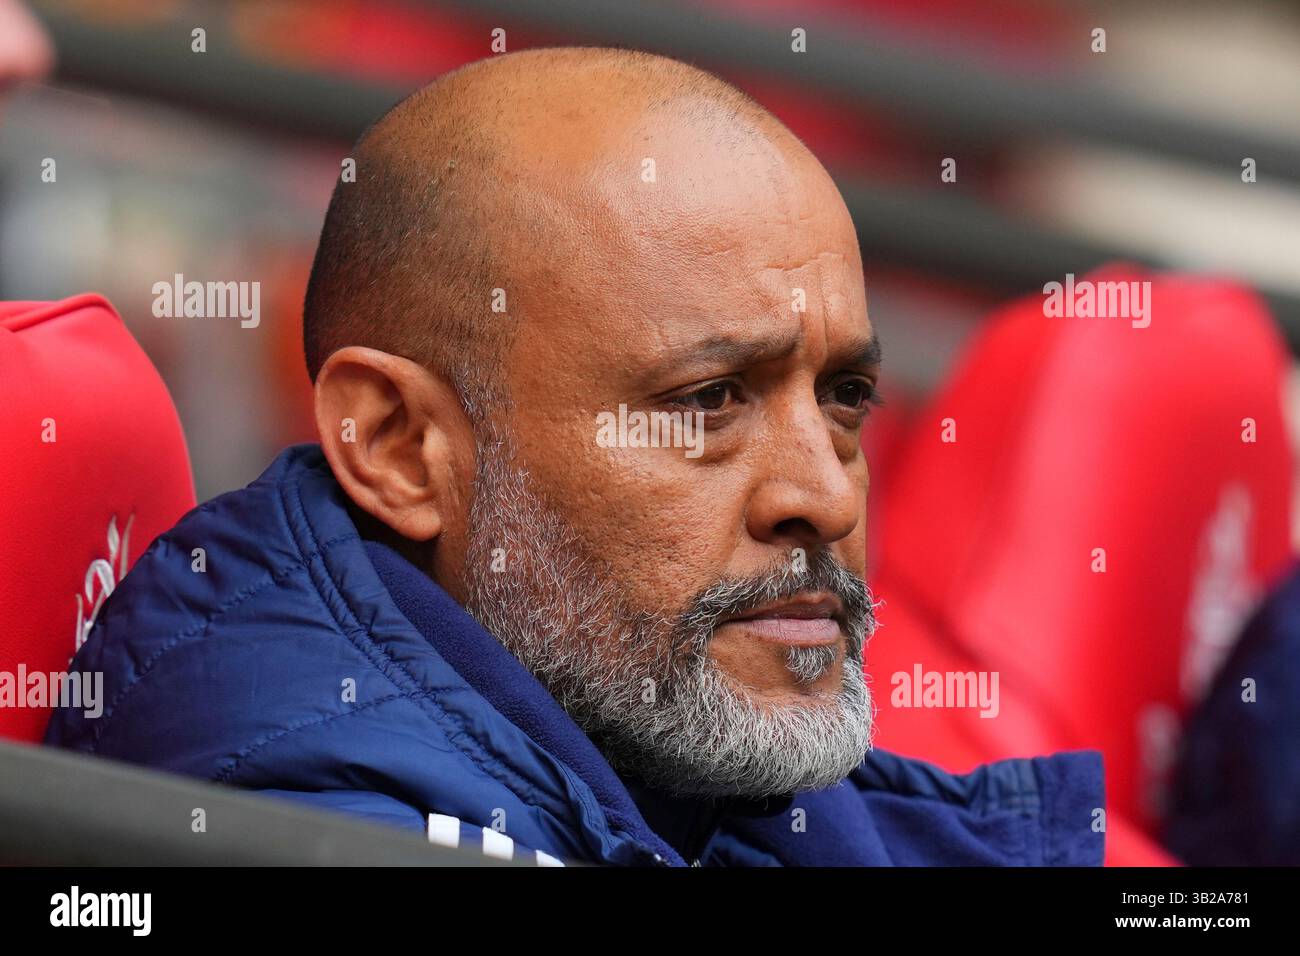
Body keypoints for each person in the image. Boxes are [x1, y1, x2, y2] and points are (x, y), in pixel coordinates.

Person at [46, 47, 1103, 866]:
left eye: (844, 398)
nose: (824, 494)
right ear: (403, 448)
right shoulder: (309, 815)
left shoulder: (648, 705)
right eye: (707, 403)